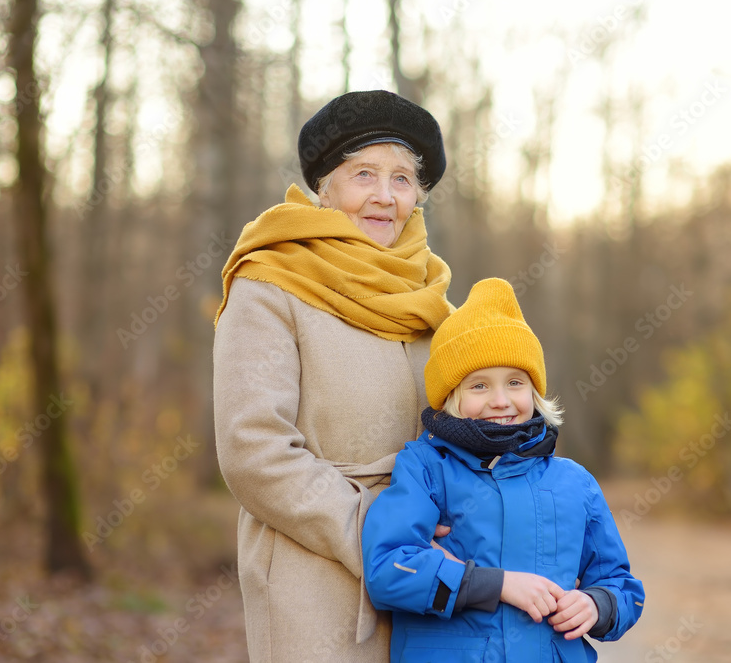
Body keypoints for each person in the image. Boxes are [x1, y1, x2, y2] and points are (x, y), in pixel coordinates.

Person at [212, 90, 454, 661]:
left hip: (432, 579)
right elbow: (253, 451)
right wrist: (380, 531)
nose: (384, 196)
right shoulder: (269, 283)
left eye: (401, 179)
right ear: (325, 187)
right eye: (363, 174)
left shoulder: (431, 296)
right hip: (314, 574)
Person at [362, 278, 645, 662]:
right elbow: (388, 569)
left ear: (535, 393)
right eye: (479, 386)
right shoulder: (426, 468)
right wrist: (496, 585)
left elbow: (620, 585)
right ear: (451, 397)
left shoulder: (575, 483)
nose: (500, 401)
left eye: (515, 382)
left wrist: (597, 605)